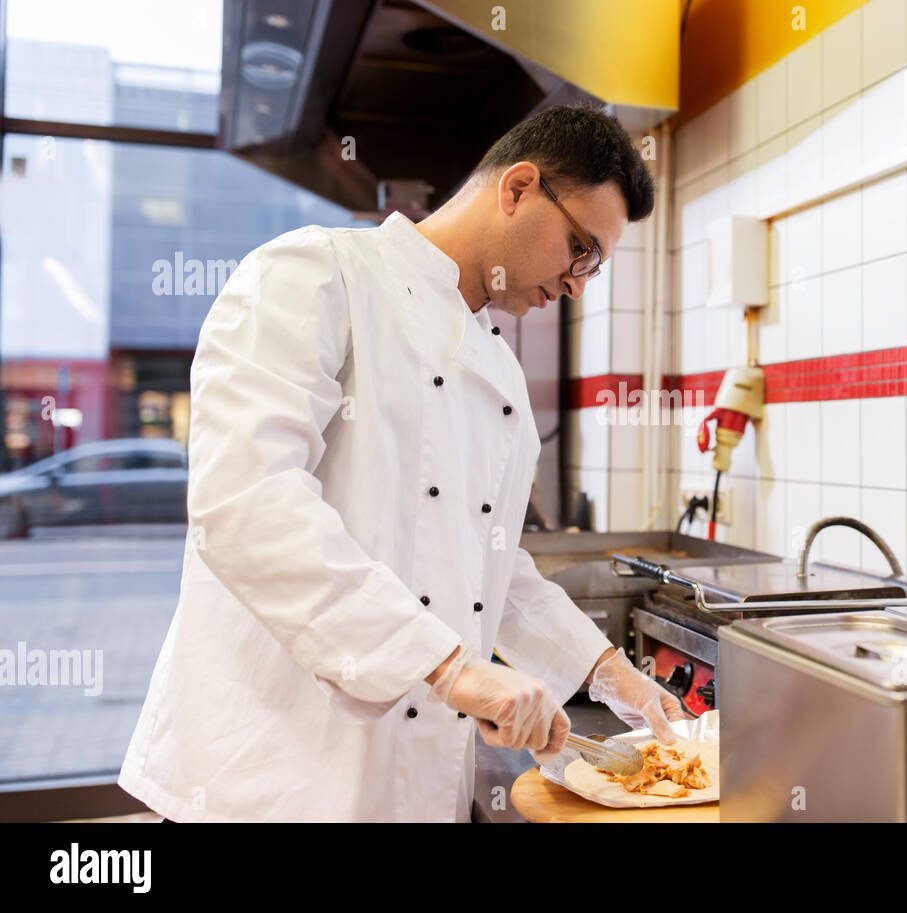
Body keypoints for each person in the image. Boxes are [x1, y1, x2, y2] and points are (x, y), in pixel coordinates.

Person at [118, 103, 686, 822]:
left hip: (409, 789)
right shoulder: (315, 276)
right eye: (579, 248)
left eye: (594, 265)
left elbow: (496, 565)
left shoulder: (502, 374)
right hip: (265, 778)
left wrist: (611, 675)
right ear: (516, 188)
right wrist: (448, 667)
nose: (578, 282)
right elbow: (246, 504)